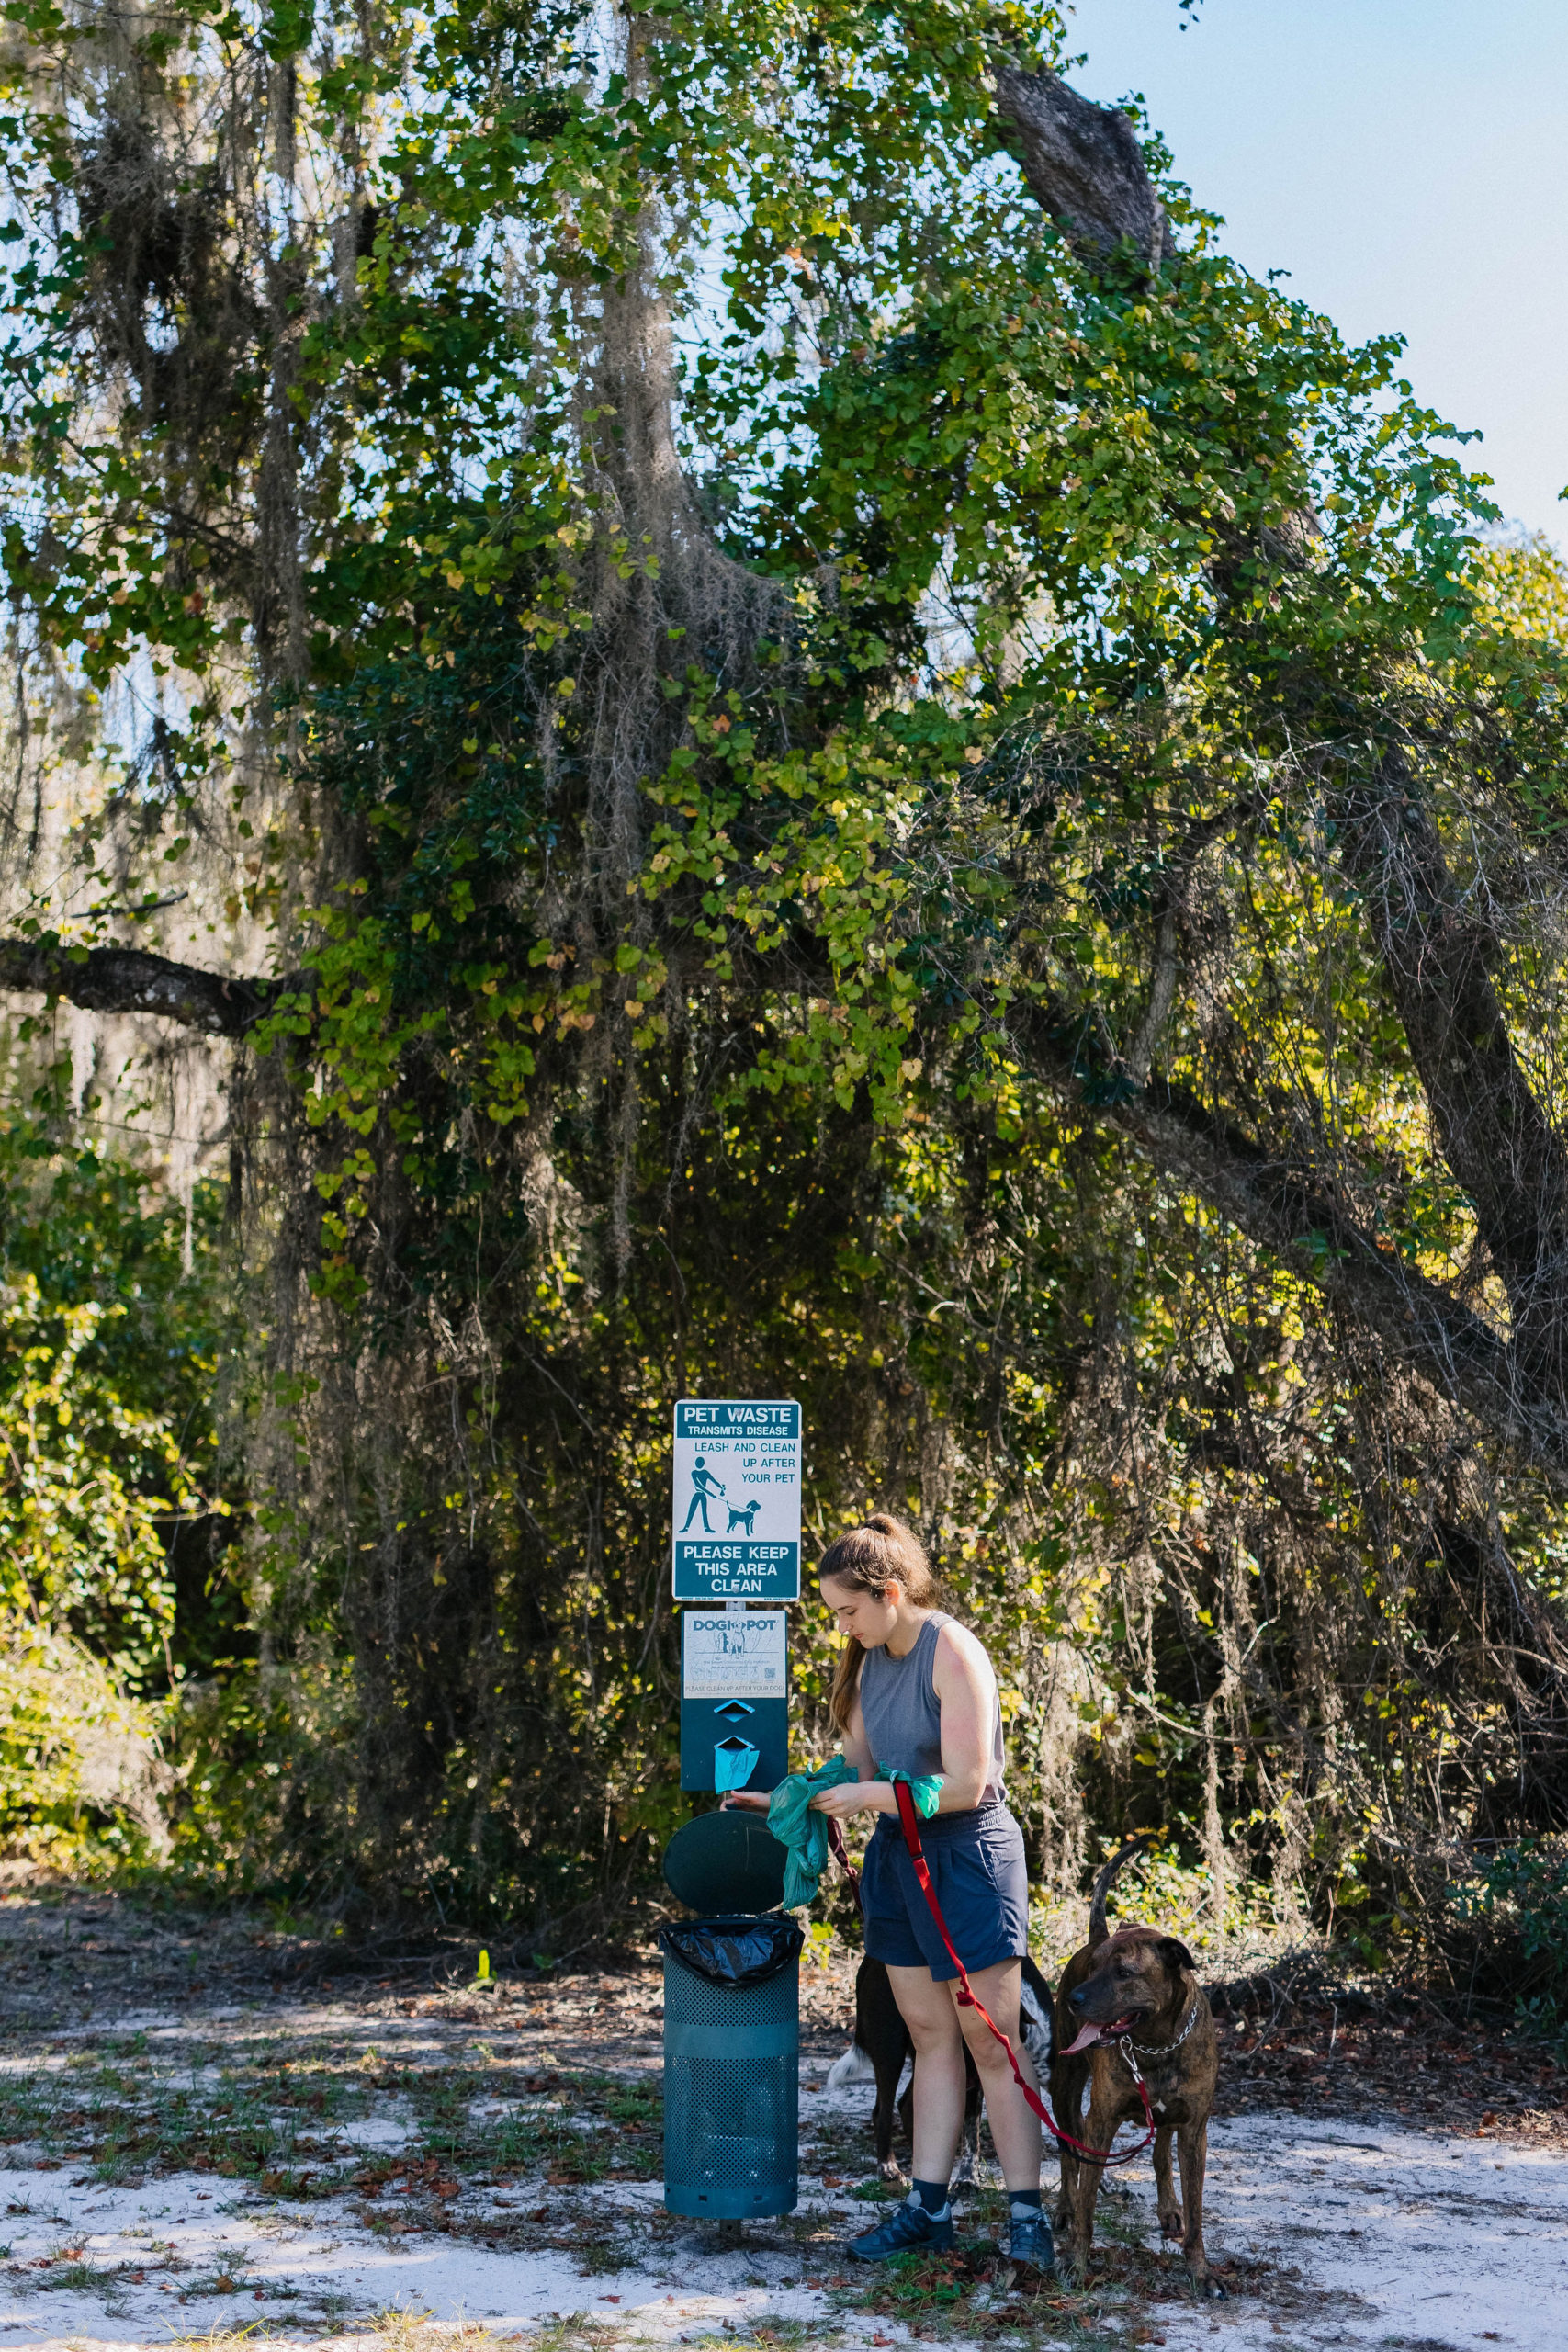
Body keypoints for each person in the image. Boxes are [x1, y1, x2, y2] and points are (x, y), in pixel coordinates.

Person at [728, 1512, 1049, 2270]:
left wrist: (869, 1798)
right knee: (930, 2040)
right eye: (835, 1614)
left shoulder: (951, 1651)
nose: (843, 1627)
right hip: (898, 1863)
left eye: (849, 1611)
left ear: (891, 1593)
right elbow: (856, 1768)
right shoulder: (868, 1661)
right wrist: (789, 1795)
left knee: (989, 2045)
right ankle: (927, 2207)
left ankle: (1027, 2217)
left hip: (967, 1858)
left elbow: (968, 1783)